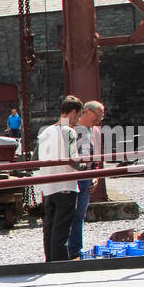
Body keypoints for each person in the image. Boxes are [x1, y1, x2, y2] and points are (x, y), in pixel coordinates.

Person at [37, 96, 84, 262]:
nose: (78, 120)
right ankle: (59, 264)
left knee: (49, 227)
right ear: (72, 112)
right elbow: (73, 160)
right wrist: (85, 167)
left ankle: (50, 260)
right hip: (65, 185)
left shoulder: (45, 132)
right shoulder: (69, 131)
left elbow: (36, 157)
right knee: (62, 229)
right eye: (78, 116)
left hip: (48, 187)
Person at [69, 100, 105, 259]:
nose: (101, 118)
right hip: (73, 177)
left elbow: (96, 157)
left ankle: (75, 249)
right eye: (99, 114)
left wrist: (95, 176)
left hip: (87, 177)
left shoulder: (95, 131)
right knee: (69, 214)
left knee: (79, 216)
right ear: (88, 112)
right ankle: (66, 250)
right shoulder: (72, 129)